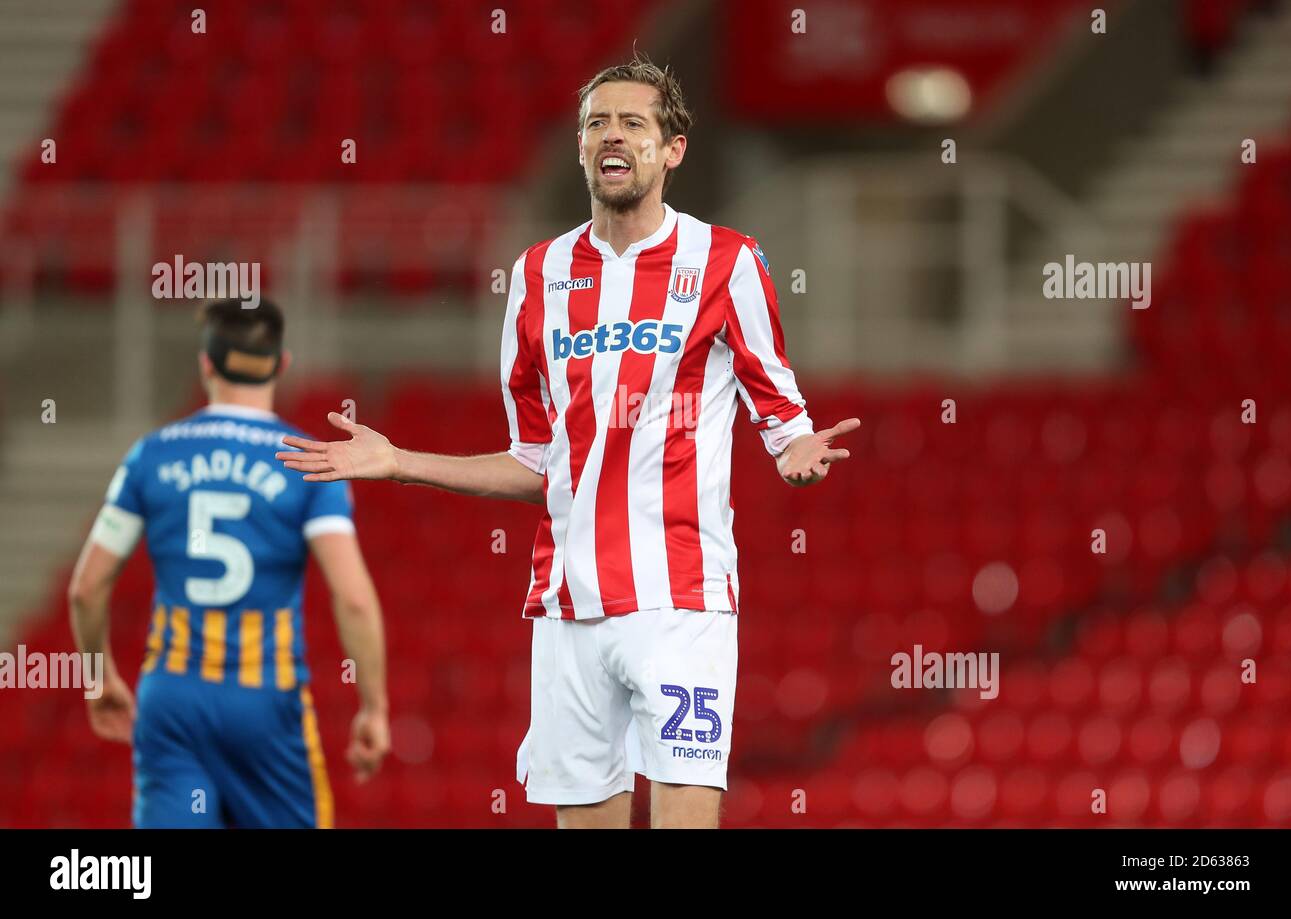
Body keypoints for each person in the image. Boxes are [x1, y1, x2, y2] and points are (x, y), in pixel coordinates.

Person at [277, 55, 858, 829]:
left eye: (632, 122)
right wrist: (399, 462)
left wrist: (794, 452)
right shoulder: (538, 273)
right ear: (582, 148)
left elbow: (784, 421)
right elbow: (535, 461)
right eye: (595, 123)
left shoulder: (727, 262)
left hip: (681, 604)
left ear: (672, 148)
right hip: (567, 607)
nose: (611, 135)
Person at [69, 299, 389, 828]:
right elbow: (353, 598)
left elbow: (86, 587)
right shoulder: (308, 461)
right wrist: (374, 705)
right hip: (263, 698)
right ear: (282, 363)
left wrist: (98, 678)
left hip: (171, 696)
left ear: (206, 364)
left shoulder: (151, 454)